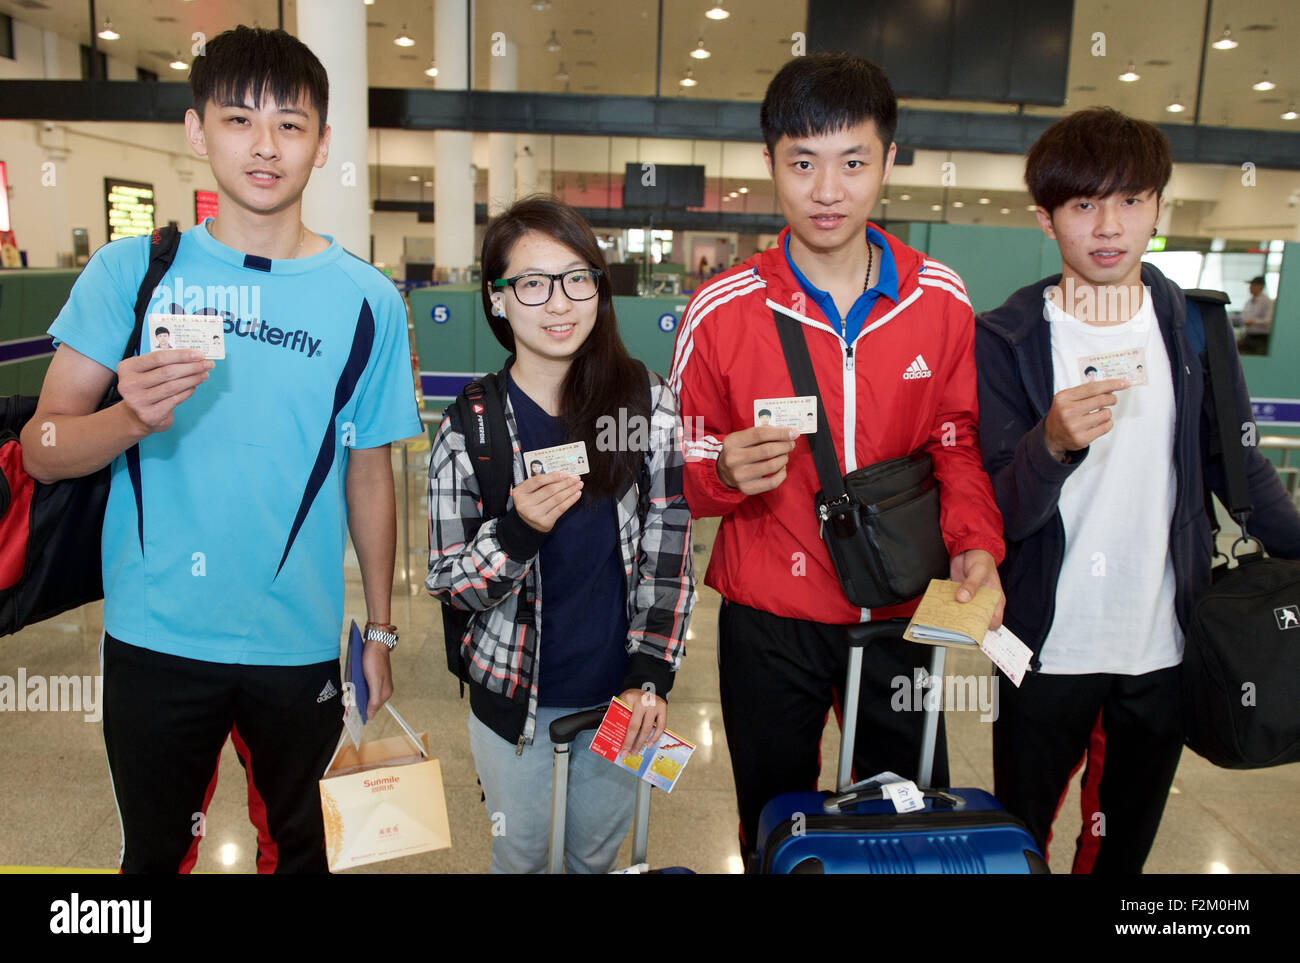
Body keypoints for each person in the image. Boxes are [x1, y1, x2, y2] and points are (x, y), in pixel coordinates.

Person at [20, 26, 421, 873]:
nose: (265, 145)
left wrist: (378, 631)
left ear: (322, 144)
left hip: (300, 642)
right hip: (154, 634)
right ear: (197, 131)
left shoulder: (366, 301)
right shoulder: (131, 273)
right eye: (239, 119)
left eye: (291, 124)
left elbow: (370, 470)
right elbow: (44, 447)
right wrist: (128, 416)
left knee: (305, 857)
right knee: (156, 857)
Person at [669, 52, 1006, 868]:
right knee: (775, 824)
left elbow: (956, 439)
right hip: (769, 620)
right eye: (803, 163)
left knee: (911, 827)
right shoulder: (720, 312)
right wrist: (720, 472)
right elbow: (671, 471)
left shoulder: (940, 299)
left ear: (889, 161)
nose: (827, 190)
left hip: (902, 610)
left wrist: (977, 544)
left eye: (853, 162)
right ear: (770, 166)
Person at [974, 107, 1300, 873]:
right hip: (1041, 648)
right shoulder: (1007, 338)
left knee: (1120, 850)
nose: (1108, 225)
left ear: (1158, 206)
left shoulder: (1195, 326)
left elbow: (1241, 466)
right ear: (1047, 218)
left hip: (1164, 646)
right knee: (1019, 841)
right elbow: (1004, 511)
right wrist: (1050, 444)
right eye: (1083, 204)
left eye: (1129, 200)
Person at [427, 196, 694, 874]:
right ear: (497, 300)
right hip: (512, 701)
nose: (559, 302)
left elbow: (668, 547)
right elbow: (451, 581)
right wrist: (518, 531)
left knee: (596, 859)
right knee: (519, 855)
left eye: (578, 278)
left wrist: (649, 677)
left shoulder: (645, 402)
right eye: (533, 283)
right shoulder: (472, 427)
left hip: (620, 697)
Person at [1240, 275, 1273, 355]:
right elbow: (1243, 316)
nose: (1250, 287)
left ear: (1261, 287)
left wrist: (1254, 322)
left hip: (1260, 338)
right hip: (1248, 335)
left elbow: (1269, 319)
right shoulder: (1248, 301)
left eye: (1253, 285)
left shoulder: (1266, 301)